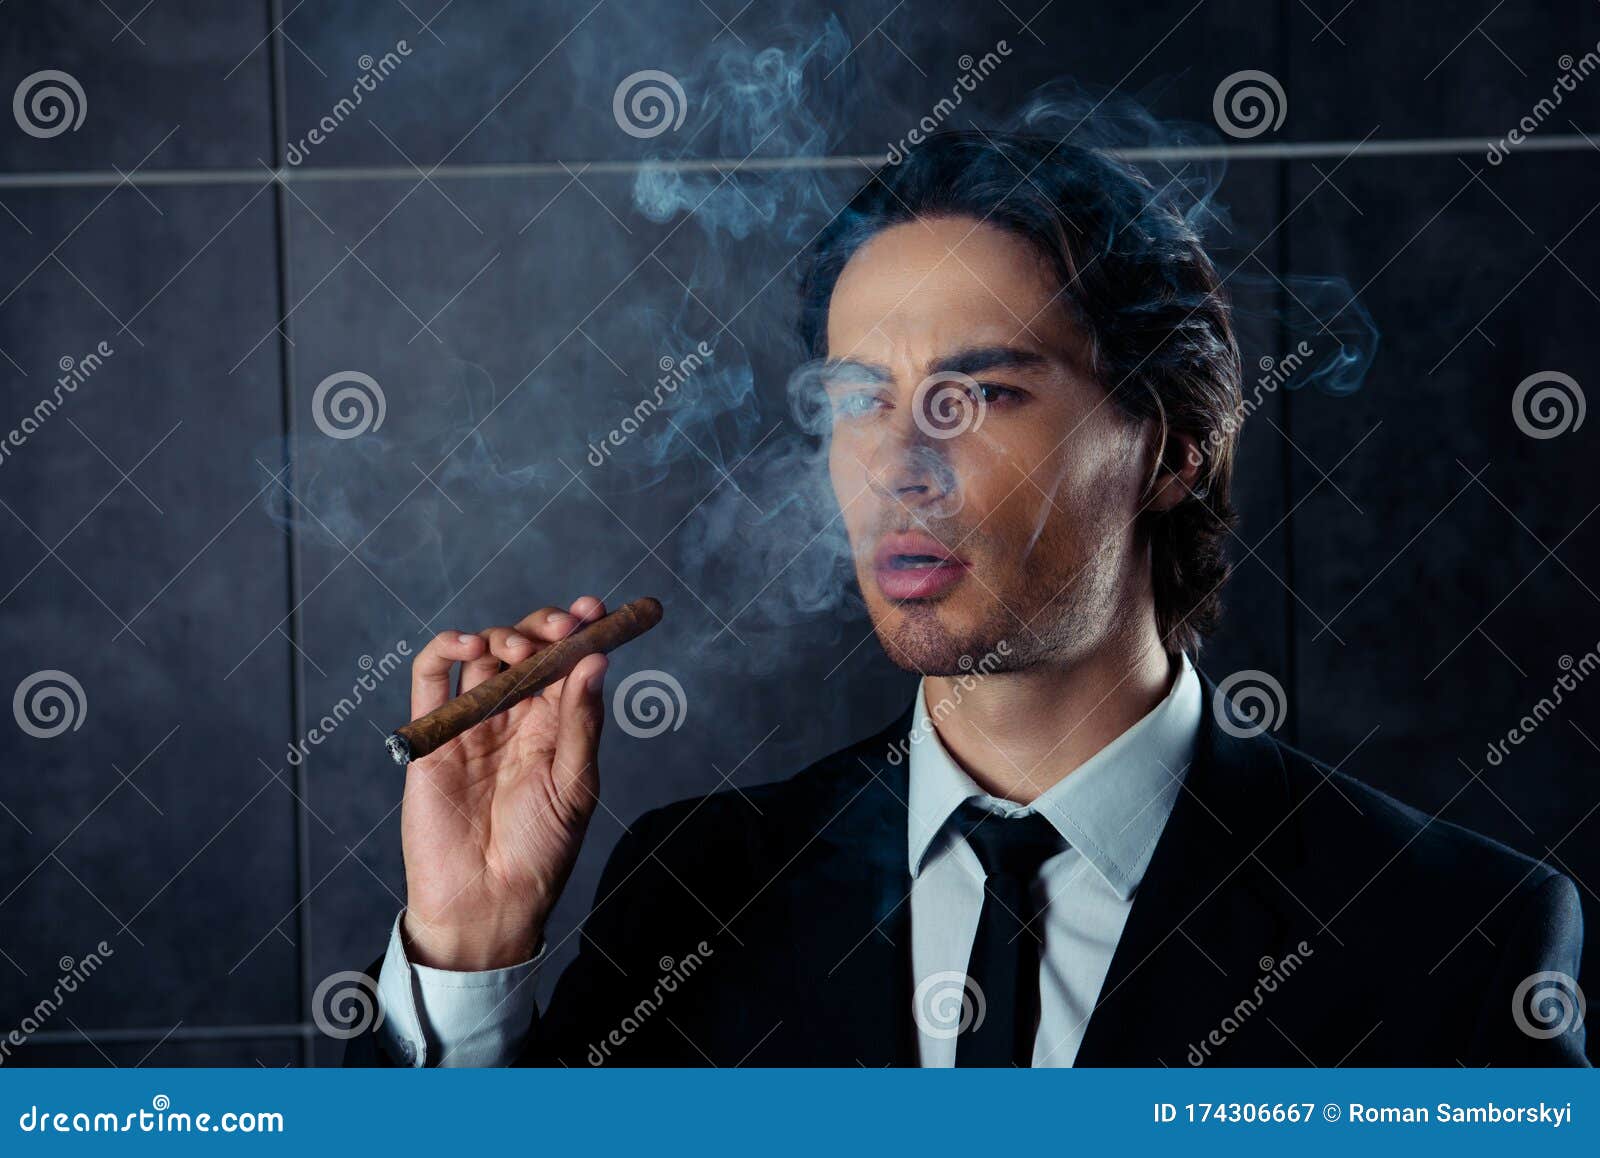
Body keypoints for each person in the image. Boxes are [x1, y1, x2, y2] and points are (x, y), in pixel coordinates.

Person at [346, 131, 1587, 1068]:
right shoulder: (701, 887)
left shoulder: (1454, 935)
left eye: (979, 396)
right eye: (858, 400)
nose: (899, 464)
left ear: (1171, 448)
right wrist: (468, 946)